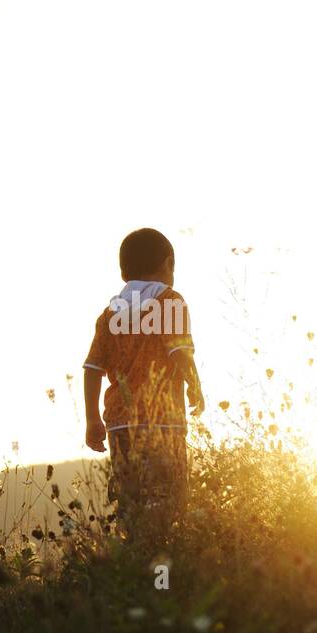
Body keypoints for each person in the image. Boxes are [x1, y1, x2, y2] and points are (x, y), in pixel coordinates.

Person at [83, 228, 204, 535]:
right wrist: (196, 386)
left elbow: (93, 368)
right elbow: (180, 353)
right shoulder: (170, 302)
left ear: (124, 271)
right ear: (169, 263)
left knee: (133, 507)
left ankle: (141, 572)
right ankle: (164, 577)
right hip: (163, 424)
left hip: (121, 426)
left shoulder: (110, 314)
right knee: (171, 506)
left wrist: (92, 419)